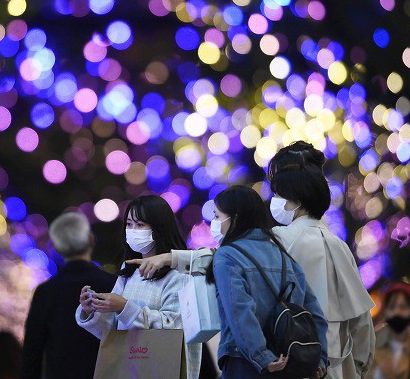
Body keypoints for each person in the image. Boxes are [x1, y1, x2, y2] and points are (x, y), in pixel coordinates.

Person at [132, 141, 375, 379]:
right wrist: (355, 367)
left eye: (278, 194)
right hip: (334, 365)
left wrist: (172, 258)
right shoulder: (341, 247)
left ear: (294, 198)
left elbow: (225, 264)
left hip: (287, 363)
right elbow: (362, 325)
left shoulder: (277, 241)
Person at [75, 194, 202, 379]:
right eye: (128, 224)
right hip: (127, 369)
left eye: (140, 225)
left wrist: (124, 307)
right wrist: (93, 310)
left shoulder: (179, 274)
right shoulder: (129, 270)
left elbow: (174, 330)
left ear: (159, 227)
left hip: (162, 371)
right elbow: (112, 332)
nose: (133, 230)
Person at [208, 185, 328, 377]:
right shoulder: (281, 254)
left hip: (247, 363)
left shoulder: (227, 256)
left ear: (235, 218)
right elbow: (314, 311)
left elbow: (240, 311)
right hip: (288, 361)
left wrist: (262, 356)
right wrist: (320, 358)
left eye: (216, 216)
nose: (213, 223)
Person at [22, 212, 116, 379]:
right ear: (91, 240)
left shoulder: (46, 292)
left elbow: (32, 352)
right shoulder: (113, 284)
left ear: (57, 248)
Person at [367, 282, 410, 379]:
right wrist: (378, 374)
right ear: (385, 312)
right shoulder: (371, 348)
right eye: (392, 307)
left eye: (403, 307)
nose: (397, 312)